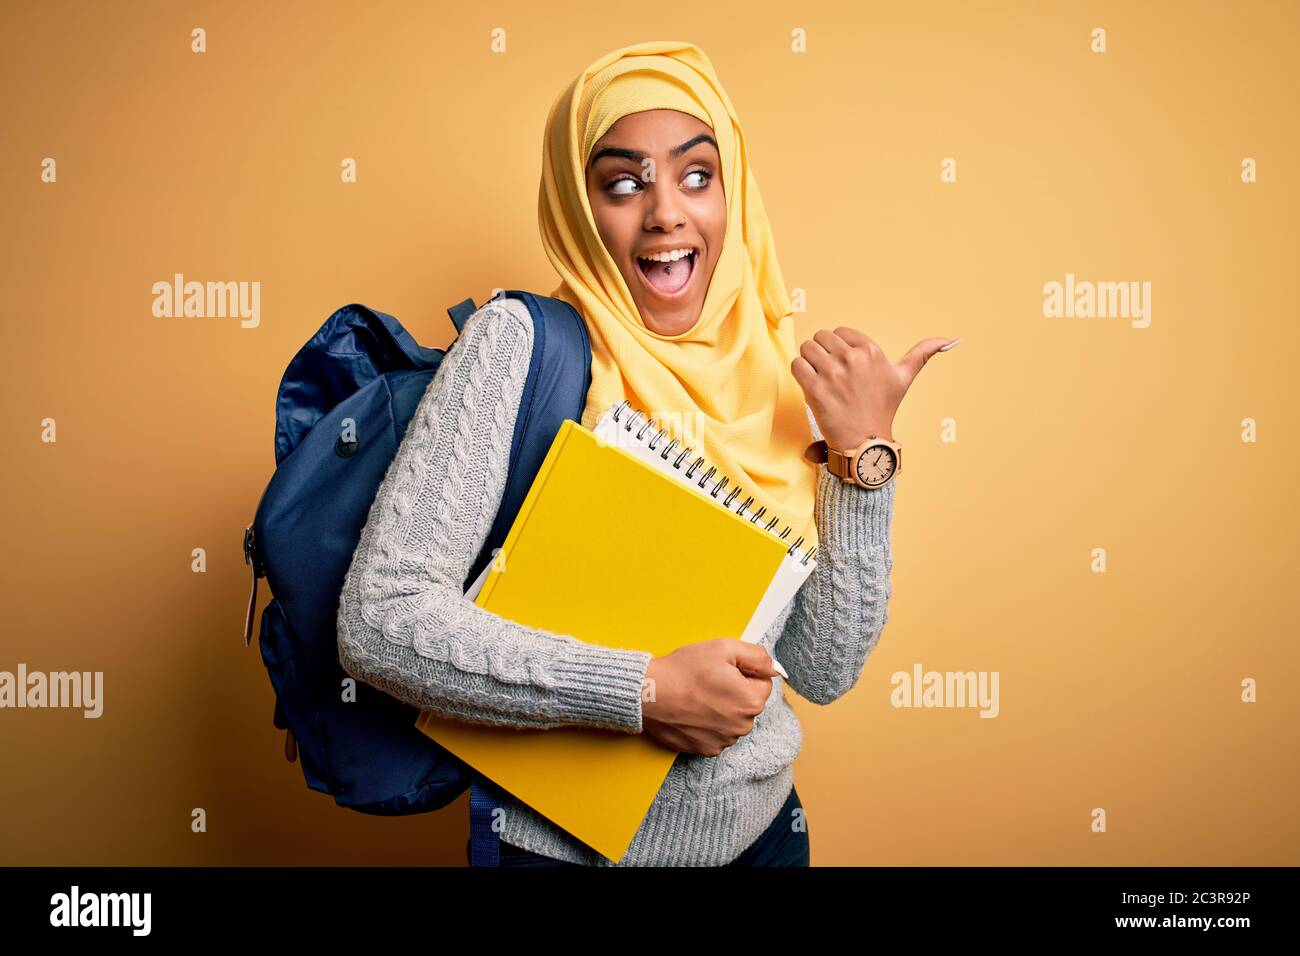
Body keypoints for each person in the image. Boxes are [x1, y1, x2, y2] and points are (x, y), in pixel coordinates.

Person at [336, 40, 958, 867]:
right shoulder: (520, 346)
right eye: (623, 183)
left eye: (697, 176)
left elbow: (820, 667)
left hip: (768, 841)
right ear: (575, 205)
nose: (666, 212)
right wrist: (644, 693)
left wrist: (864, 457)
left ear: (732, 192)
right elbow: (380, 621)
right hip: (562, 854)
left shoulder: (776, 373)